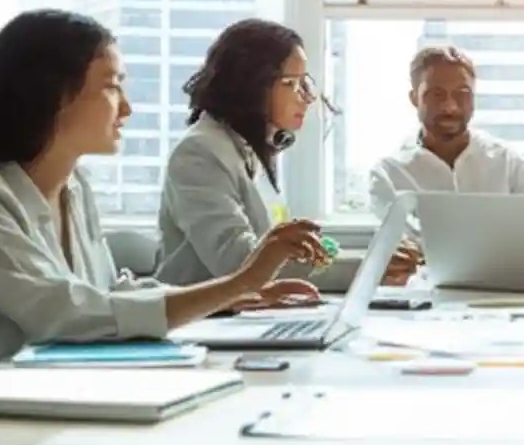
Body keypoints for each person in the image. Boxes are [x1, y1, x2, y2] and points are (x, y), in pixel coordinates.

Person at [0, 10, 326, 371]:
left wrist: (236, 296)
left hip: (62, 393)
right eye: (112, 87)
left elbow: (112, 291)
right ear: (49, 94)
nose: (126, 108)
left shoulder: (74, 188)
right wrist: (237, 283)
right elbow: (64, 312)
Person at [153, 19, 411, 287]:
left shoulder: (253, 149)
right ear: (250, 84)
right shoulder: (200, 153)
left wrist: (372, 255)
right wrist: (371, 267)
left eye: (304, 83)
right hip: (201, 324)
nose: (306, 97)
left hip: (240, 314)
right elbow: (240, 263)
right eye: (290, 83)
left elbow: (275, 253)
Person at [369, 45, 524, 268]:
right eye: (436, 95)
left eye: (462, 95)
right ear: (414, 98)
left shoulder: (510, 165)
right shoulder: (387, 174)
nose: (450, 107)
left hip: (499, 296)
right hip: (421, 296)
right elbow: (392, 252)